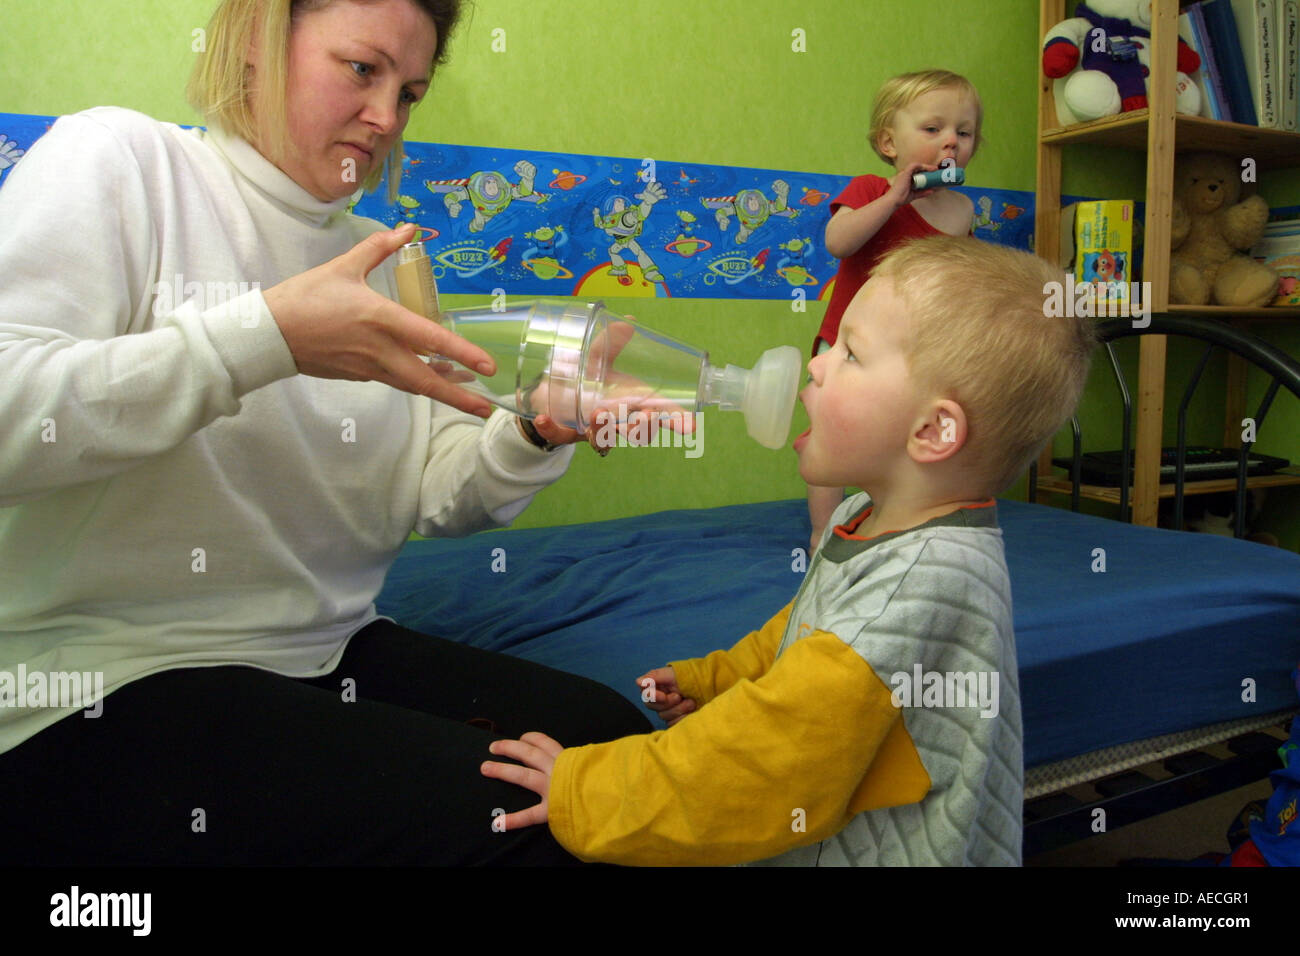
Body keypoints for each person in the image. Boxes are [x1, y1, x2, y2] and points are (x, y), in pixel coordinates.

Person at [0, 0, 650, 865]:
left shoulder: (383, 255)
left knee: (612, 753)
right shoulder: (124, 161)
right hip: (109, 672)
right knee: (512, 827)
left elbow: (430, 495)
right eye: (361, 70)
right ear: (260, 44)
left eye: (410, 91)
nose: (387, 117)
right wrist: (261, 339)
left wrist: (532, 431)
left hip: (324, 650)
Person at [481, 235, 1098, 866]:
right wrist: (716, 680)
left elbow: (765, 760)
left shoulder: (925, 580)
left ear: (932, 430)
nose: (816, 364)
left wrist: (587, 789)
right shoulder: (867, 513)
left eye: (851, 354)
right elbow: (801, 639)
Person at [806, 69, 981, 553]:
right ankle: (823, 533)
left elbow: (959, 279)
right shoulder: (867, 189)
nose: (951, 141)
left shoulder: (962, 209)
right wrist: (892, 199)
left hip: (913, 354)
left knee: (896, 443)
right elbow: (838, 242)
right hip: (849, 345)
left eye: (963, 133)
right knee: (834, 434)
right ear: (889, 142)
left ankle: (889, 527)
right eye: (932, 129)